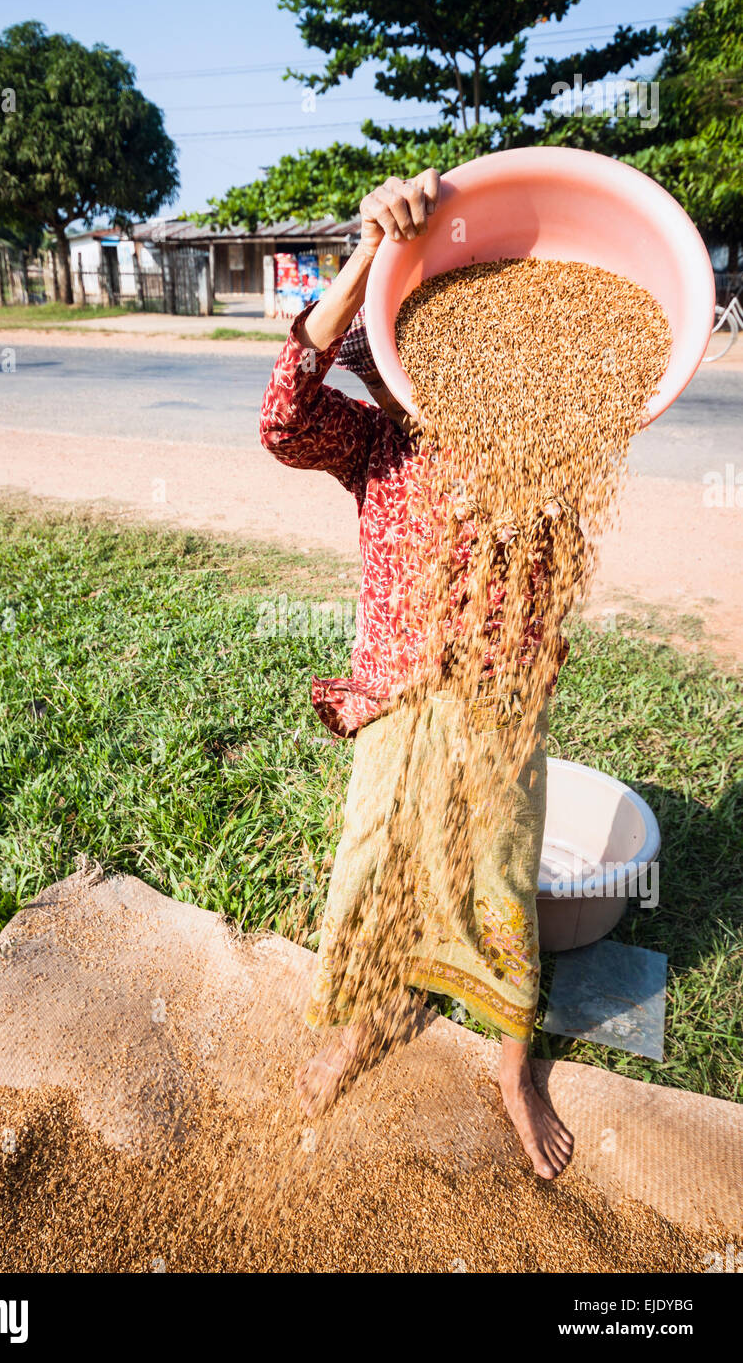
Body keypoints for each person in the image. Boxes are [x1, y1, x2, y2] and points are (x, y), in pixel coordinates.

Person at [259, 171, 574, 1180]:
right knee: (372, 872)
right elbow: (279, 418)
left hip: (498, 707)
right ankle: (363, 1020)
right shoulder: (371, 446)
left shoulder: (538, 448)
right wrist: (366, 252)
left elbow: (606, 369)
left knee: (499, 882)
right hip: (394, 702)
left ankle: (511, 1069)